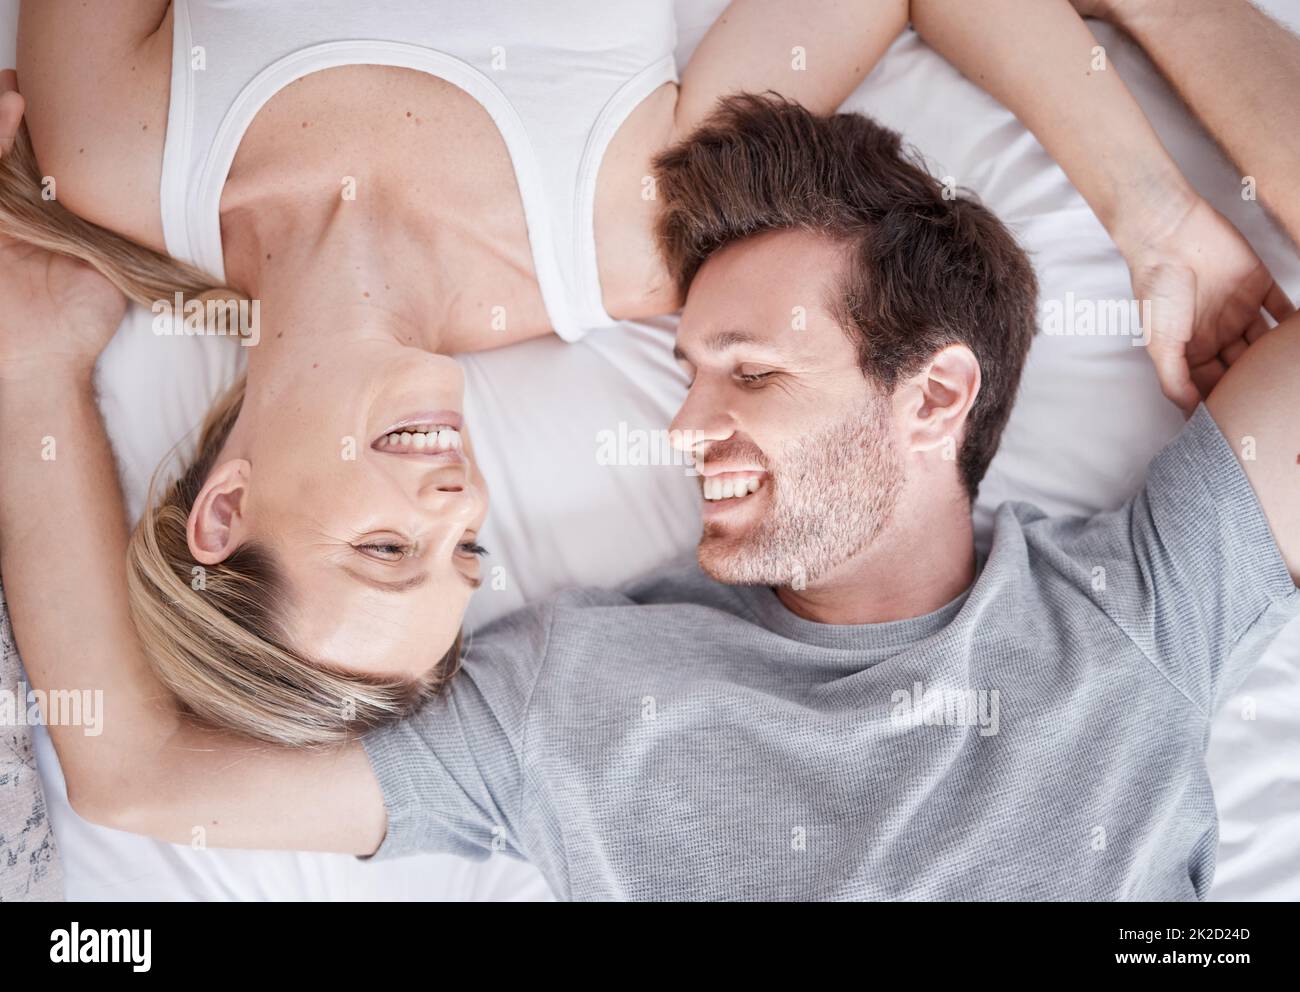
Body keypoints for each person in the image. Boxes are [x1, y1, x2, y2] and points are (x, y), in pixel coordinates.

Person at [2, 0, 1295, 899]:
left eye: (401, 544)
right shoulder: (1140, 628)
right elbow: (135, 780)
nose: (460, 499)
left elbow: (134, 778)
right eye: (457, 547)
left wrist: (30, 372)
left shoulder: (553, 732)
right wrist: (1154, 194)